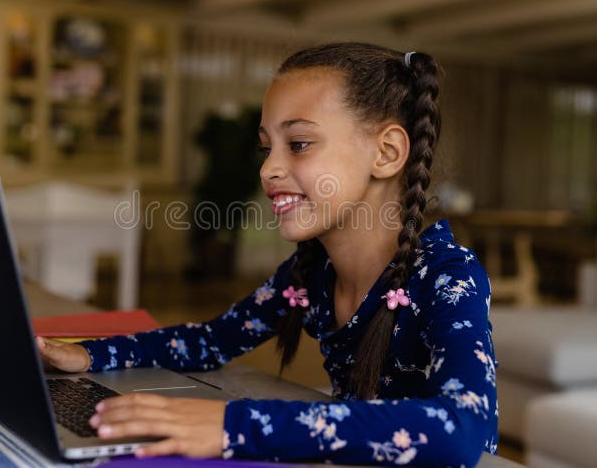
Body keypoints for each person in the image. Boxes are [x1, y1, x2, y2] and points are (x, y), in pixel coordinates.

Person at [37, 42, 499, 467]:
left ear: (387, 152)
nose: (268, 170)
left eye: (297, 144)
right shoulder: (310, 271)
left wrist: (232, 426)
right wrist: (90, 355)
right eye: (267, 148)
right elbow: (210, 341)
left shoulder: (448, 279)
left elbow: (461, 429)